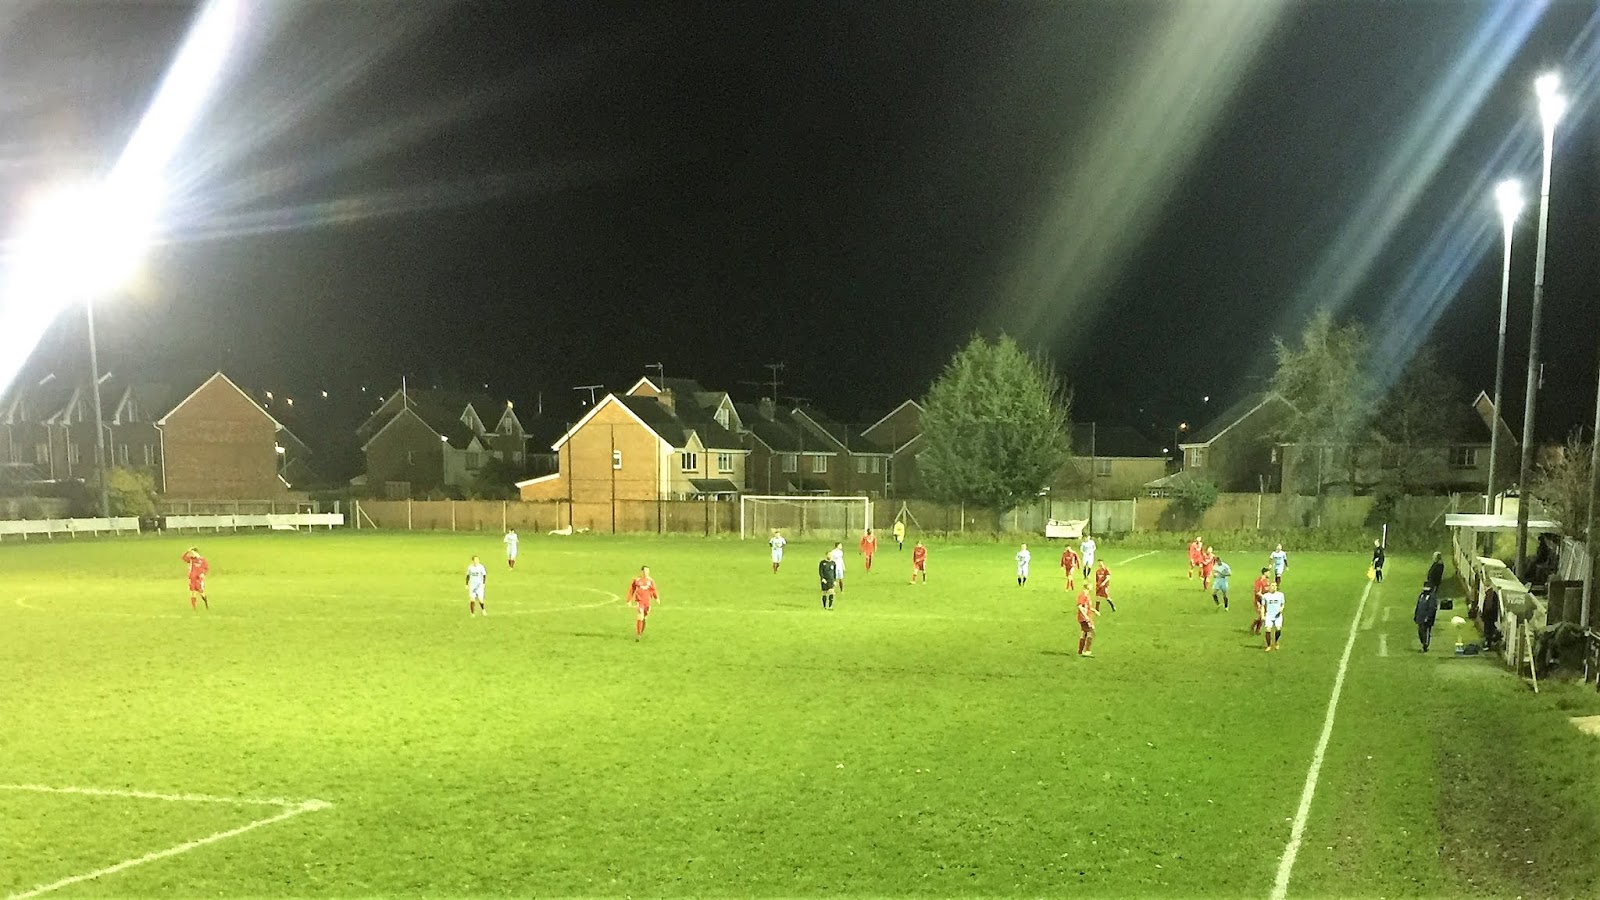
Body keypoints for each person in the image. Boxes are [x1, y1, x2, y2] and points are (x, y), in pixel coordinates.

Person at [628, 565, 659, 640]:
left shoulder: (651, 581)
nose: (646, 572)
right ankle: (638, 635)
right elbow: (631, 589)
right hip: (640, 601)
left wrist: (656, 598)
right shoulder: (637, 580)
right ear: (642, 571)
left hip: (647, 601)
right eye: (645, 571)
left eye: (648, 571)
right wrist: (629, 600)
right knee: (640, 615)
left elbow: (654, 589)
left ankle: (641, 632)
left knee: (644, 618)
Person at [1413, 587, 1439, 652]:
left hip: (1427, 619)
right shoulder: (1421, 596)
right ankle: (1423, 643)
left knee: (1426, 632)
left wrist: (1428, 617)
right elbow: (1418, 606)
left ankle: (1425, 646)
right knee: (1420, 632)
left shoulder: (1431, 597)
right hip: (1420, 617)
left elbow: (1432, 608)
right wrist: (1416, 615)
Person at [1262, 584, 1286, 651]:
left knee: (1278, 629)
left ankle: (1276, 642)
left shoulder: (1280, 595)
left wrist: (1281, 609)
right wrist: (1262, 615)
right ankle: (1268, 645)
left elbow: (1283, 604)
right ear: (1269, 587)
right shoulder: (1265, 596)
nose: (1274, 587)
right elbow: (1263, 606)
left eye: (1275, 586)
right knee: (1268, 629)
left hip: (1277, 615)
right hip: (1269, 615)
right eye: (1272, 586)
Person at [1076, 587, 1099, 657]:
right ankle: (1086, 651)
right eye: (1091, 585)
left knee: (1084, 633)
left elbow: (1087, 606)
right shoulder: (1083, 595)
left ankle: (1080, 651)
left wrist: (1094, 610)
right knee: (1091, 632)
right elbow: (1079, 606)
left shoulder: (1087, 594)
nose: (1092, 587)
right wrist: (1085, 616)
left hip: (1087, 616)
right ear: (1088, 586)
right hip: (1084, 618)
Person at [1251, 567, 1272, 635]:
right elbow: (1257, 592)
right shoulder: (1259, 581)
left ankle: (1256, 629)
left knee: (1262, 616)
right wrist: (1264, 597)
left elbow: (1268, 590)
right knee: (1261, 616)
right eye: (1268, 573)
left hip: (1265, 601)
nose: (1270, 574)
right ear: (1265, 573)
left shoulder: (1267, 581)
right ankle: (1254, 627)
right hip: (1259, 601)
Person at [1481, 586, 1502, 651]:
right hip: (1490, 617)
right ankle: (1489, 644)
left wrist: (1484, 615)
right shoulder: (1491, 595)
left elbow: (1488, 607)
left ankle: (1489, 645)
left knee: (1489, 632)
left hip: (1489, 617)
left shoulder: (1491, 595)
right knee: (1489, 631)